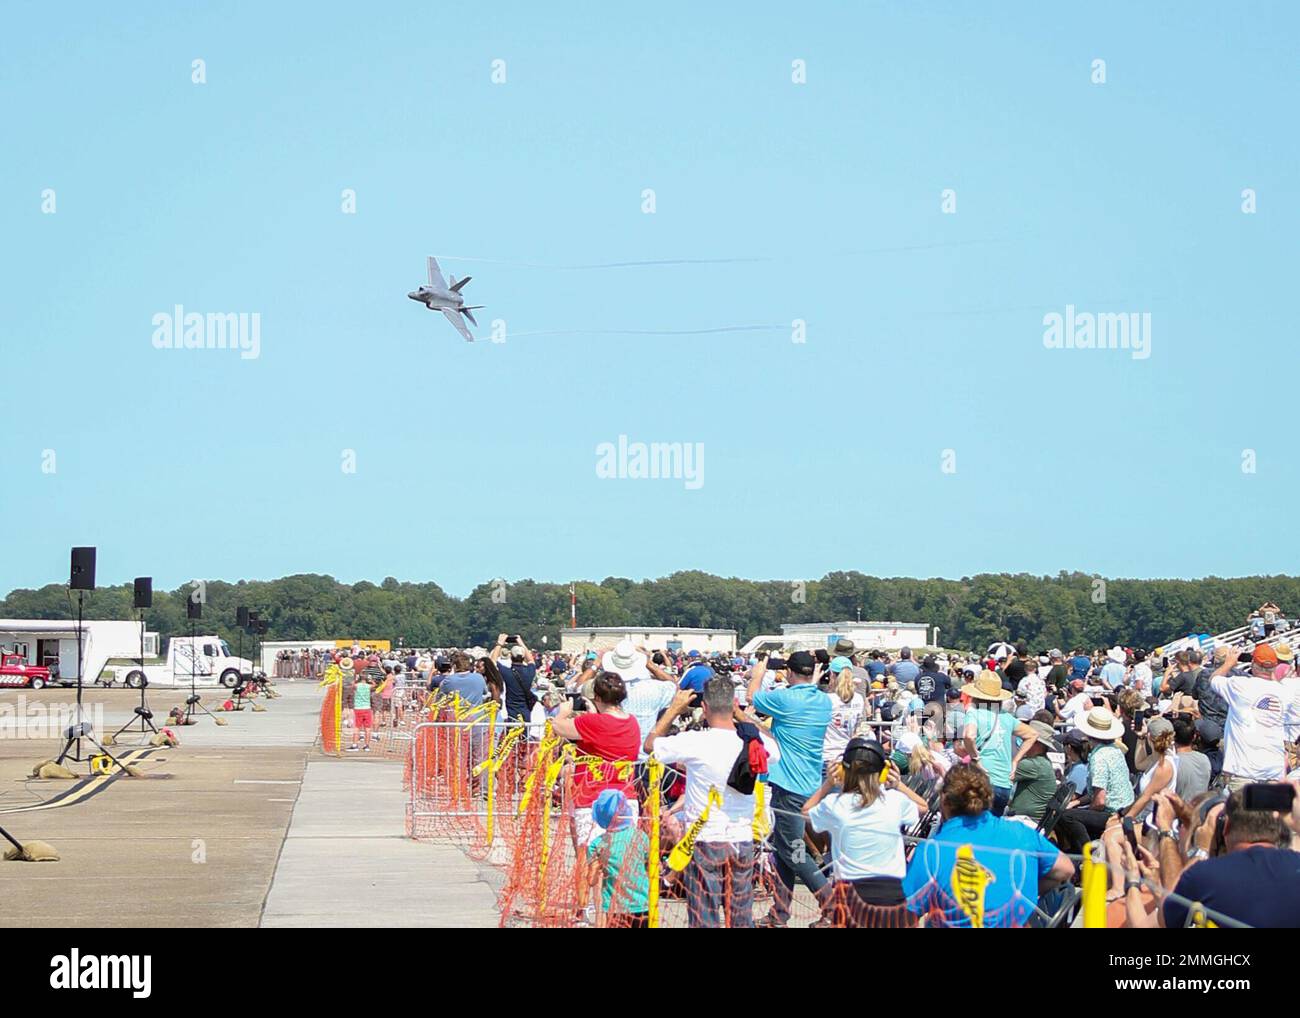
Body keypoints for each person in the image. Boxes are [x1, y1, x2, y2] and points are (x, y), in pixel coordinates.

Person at [645, 678, 780, 928]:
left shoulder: (696, 741)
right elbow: (775, 748)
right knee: (741, 916)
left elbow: (650, 745)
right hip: (741, 839)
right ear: (734, 704)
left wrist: (674, 709)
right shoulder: (751, 742)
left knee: (704, 916)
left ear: (704, 708)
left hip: (705, 837)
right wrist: (741, 715)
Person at [903, 763, 1074, 927]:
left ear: (944, 801)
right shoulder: (1022, 833)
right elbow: (1066, 869)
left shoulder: (931, 852)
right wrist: (1021, 892)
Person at [746, 650, 833, 927]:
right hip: (810, 784)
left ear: (791, 672)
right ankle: (779, 912)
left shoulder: (787, 698)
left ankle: (831, 904)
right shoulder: (822, 702)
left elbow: (751, 697)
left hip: (789, 786)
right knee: (784, 849)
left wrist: (759, 671)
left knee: (795, 851)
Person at [803, 738, 930, 926]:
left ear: (843, 771)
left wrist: (828, 784)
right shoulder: (894, 801)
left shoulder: (836, 804)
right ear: (882, 773)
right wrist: (898, 785)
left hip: (850, 895)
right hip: (891, 894)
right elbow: (923, 806)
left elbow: (805, 811)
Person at [1160, 788, 1300, 928]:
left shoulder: (1203, 875)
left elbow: (1164, 917)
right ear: (1277, 829)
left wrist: (1201, 850)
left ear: (1226, 826)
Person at [551, 670, 641, 846]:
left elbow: (558, 727)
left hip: (593, 798)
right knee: (620, 859)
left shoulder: (592, 723)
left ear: (597, 697)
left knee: (589, 861)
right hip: (624, 797)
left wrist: (563, 711)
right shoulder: (632, 722)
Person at [1210, 642, 1300, 789]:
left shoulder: (1240, 685)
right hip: (1274, 769)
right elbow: (1275, 685)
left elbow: (1214, 679)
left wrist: (1228, 663)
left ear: (1253, 663)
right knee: (1271, 811)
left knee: (1240, 811)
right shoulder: (1285, 692)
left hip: (1244, 769)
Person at [1053, 707, 1134, 854]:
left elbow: (1100, 801)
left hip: (1112, 812)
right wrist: (1076, 803)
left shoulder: (1099, 757)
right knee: (1072, 811)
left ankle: (1089, 855)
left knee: (1066, 817)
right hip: (1125, 808)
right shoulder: (1115, 750)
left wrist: (1082, 809)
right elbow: (1097, 793)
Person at [960, 670, 1038, 816]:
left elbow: (969, 736)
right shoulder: (1007, 718)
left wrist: (976, 759)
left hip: (982, 780)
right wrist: (1015, 761)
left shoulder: (974, 713)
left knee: (972, 827)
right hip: (1004, 783)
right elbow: (1032, 734)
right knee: (991, 829)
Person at [586, 789, 651, 928]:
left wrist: (597, 867)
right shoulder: (640, 836)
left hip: (615, 908)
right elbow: (652, 867)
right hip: (642, 904)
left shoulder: (597, 844)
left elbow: (591, 880)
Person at [1007, 720, 1062, 822]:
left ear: (1036, 744)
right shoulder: (1042, 762)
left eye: (1026, 740)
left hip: (1026, 820)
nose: (1022, 743)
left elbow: (1000, 774)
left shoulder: (1034, 764)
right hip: (1028, 817)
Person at [1129, 715, 1178, 822]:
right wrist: (1141, 737)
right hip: (1145, 816)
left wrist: (1125, 818)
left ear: (1149, 735)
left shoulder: (1164, 765)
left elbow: (1146, 797)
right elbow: (1139, 764)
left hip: (1154, 821)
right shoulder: (1157, 757)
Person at [822, 658, 865, 771]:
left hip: (828, 754)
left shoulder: (826, 699)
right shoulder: (858, 699)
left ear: (832, 674)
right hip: (848, 754)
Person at [490, 634, 538, 725]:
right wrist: (521, 643)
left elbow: (492, 662)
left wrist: (499, 644)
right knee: (524, 736)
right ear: (523, 657)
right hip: (526, 710)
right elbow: (531, 660)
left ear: (511, 656)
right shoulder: (529, 671)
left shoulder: (507, 672)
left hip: (512, 710)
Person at [1172, 714, 1211, 800]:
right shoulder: (1204, 759)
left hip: (1179, 811)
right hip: (1200, 810)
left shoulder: (1172, 762)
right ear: (1194, 737)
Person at [348, 668, 376, 752]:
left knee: (357, 727)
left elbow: (352, 684)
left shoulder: (357, 685)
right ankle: (367, 745)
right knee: (367, 728)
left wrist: (356, 679)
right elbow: (374, 685)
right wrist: (370, 680)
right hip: (367, 708)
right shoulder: (369, 686)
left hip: (358, 708)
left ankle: (355, 744)